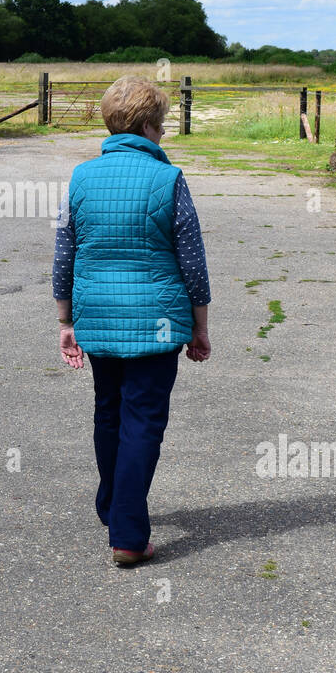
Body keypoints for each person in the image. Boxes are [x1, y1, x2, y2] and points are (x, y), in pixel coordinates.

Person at [52, 75, 211, 565]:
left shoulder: (81, 177)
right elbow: (192, 261)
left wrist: (65, 320)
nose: (162, 134)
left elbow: (64, 254)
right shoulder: (169, 179)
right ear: (147, 125)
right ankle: (127, 535)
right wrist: (200, 326)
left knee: (109, 412)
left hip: (97, 317)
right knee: (142, 420)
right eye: (160, 126)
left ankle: (111, 504)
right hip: (157, 323)